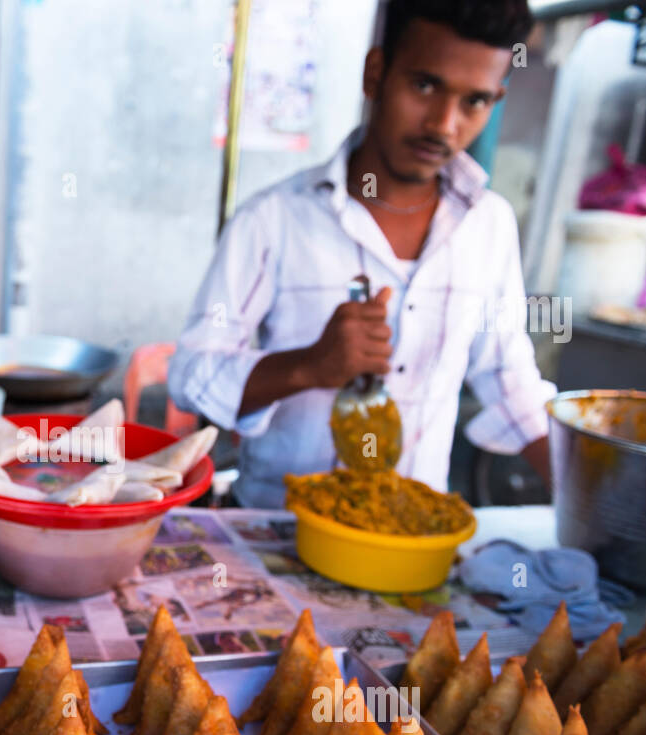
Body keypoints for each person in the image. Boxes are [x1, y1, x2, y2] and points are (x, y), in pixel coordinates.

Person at [169, 0, 555, 508]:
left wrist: (598, 501)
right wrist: (308, 365)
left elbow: (509, 379)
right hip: (276, 537)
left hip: (409, 541)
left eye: (474, 102)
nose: (443, 124)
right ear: (376, 74)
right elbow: (190, 378)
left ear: (497, 99)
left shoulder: (490, 225)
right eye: (424, 85)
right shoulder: (274, 220)